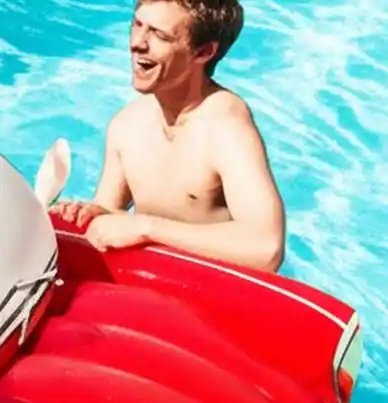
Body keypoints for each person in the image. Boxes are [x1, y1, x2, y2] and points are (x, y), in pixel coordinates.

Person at [50, 0, 286, 273]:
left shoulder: (224, 126)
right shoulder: (127, 124)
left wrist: (145, 227)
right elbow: (105, 223)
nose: (137, 43)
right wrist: (86, 213)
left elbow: (266, 248)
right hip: (149, 280)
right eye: (137, 25)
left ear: (204, 52)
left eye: (159, 35)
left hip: (206, 285)